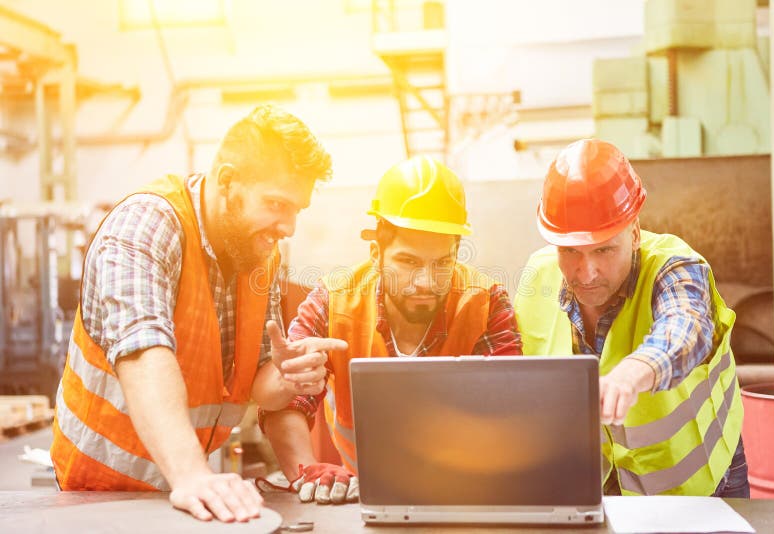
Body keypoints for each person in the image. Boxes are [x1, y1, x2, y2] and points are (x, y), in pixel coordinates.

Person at [50, 104, 347, 522]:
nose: (288, 227)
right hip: (98, 498)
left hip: (184, 495)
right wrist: (192, 473)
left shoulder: (258, 255)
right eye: (277, 204)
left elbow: (260, 378)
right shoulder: (146, 226)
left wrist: (286, 376)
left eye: (297, 210)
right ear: (227, 181)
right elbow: (142, 351)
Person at [257, 155, 523, 504]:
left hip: (466, 497)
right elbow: (289, 399)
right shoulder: (334, 300)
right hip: (363, 501)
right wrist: (307, 471)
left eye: (442, 263)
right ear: (376, 253)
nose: (426, 282)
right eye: (408, 262)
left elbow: (511, 415)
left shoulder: (486, 304)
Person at [514, 138, 748, 497]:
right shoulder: (537, 276)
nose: (587, 272)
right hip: (606, 485)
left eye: (604, 249)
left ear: (635, 233)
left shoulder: (674, 266)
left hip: (704, 485)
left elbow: (686, 327)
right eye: (570, 251)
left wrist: (631, 372)